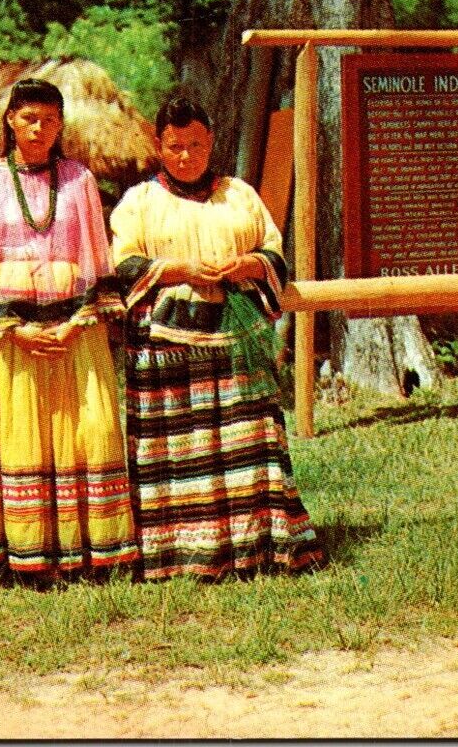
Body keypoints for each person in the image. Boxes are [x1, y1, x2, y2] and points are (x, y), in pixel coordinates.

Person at [111, 96, 325, 581]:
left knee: (248, 440)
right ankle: (178, 553)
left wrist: (249, 264)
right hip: (167, 347)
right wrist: (179, 270)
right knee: (178, 448)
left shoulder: (240, 195)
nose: (186, 156)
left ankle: (258, 546)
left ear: (211, 141)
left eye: (196, 145)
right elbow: (122, 265)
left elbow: (273, 251)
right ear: (159, 146)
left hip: (236, 338)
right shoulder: (139, 202)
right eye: (175, 146)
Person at [0, 79, 136, 577]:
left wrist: (76, 323)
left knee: (89, 429)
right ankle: (23, 550)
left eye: (49, 120)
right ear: (10, 120)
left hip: (75, 325)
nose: (39, 129)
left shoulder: (79, 180)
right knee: (19, 435)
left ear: (61, 126)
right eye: (29, 118)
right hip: (10, 330)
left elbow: (95, 254)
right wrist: (13, 327)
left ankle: (88, 547)